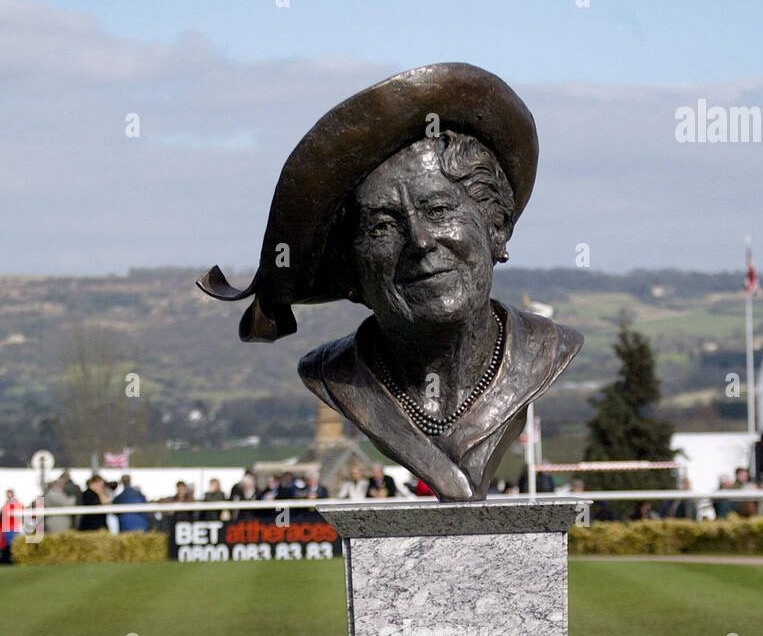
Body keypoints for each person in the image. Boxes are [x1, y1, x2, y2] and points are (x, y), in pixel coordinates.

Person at [198, 63, 583, 502]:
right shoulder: (336, 376)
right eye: (383, 227)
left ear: (495, 227)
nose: (419, 242)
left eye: (439, 210)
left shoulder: (548, 350)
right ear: (352, 275)